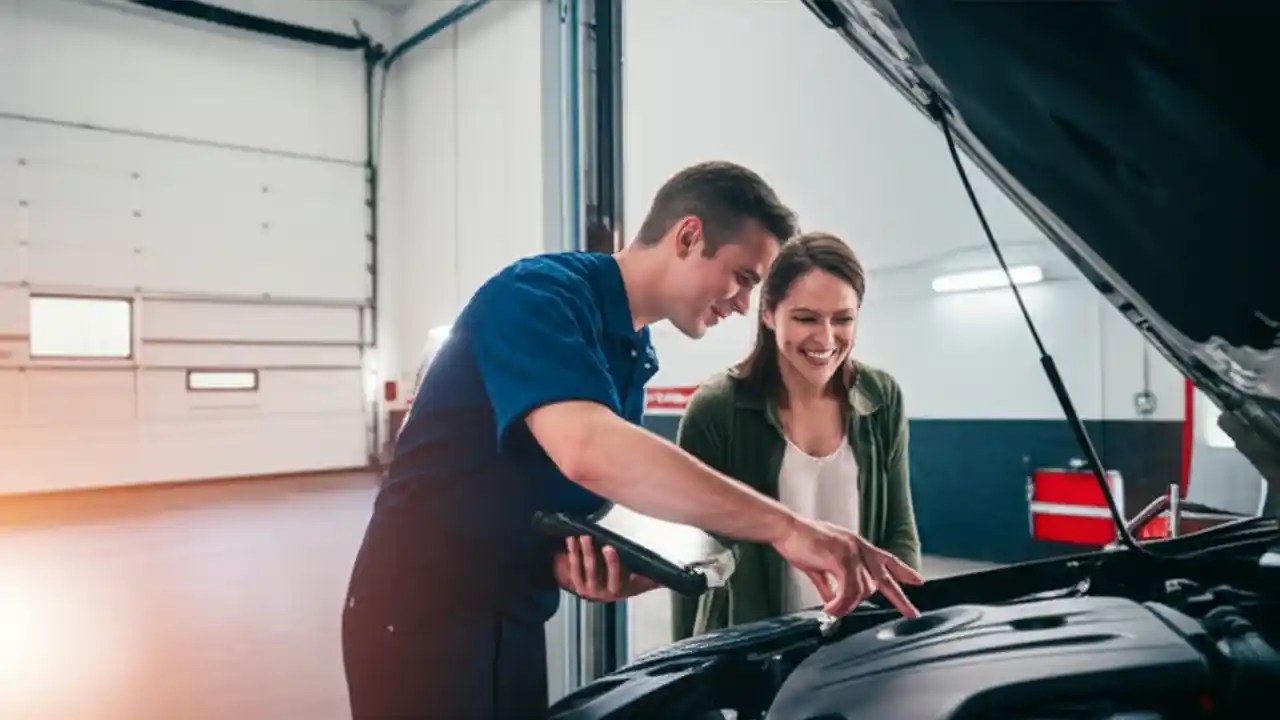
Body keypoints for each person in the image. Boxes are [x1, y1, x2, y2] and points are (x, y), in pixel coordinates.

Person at [340, 163, 924, 719]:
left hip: (510, 611)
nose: (745, 304)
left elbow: (578, 496)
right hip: (420, 608)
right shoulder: (537, 295)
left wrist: (603, 565)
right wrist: (789, 527)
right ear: (689, 237)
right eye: (744, 278)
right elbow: (587, 451)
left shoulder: (629, 354)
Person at [672, 232, 922, 641]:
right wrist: (687, 660)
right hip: (755, 651)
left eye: (843, 319)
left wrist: (904, 634)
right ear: (769, 314)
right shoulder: (718, 410)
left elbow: (898, 531)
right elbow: (691, 561)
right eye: (806, 319)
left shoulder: (881, 397)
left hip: (857, 642)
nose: (826, 338)